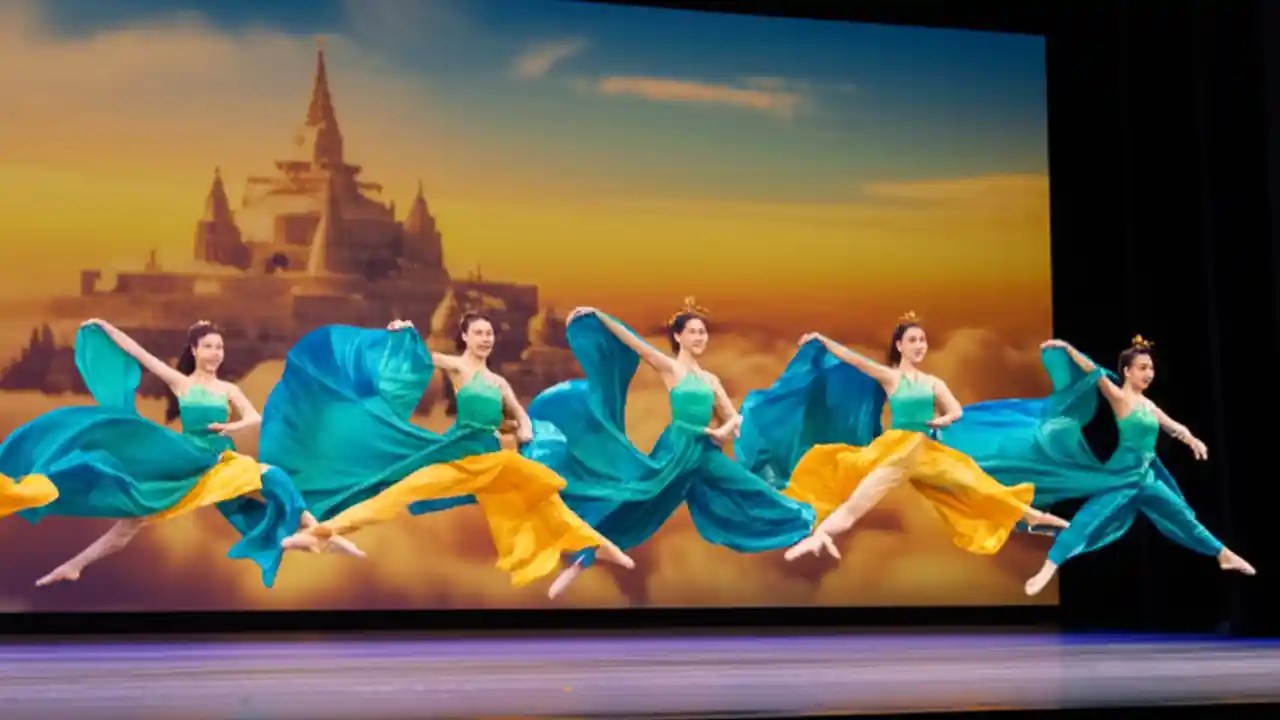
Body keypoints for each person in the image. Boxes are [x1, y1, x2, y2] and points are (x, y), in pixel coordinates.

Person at [265, 316, 633, 588]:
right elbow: (421, 359)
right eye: (479, 333)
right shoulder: (458, 368)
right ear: (465, 337)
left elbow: (521, 418)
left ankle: (593, 550)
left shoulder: (498, 382)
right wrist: (402, 336)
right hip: (456, 457)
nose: (485, 339)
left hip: (493, 460)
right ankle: (320, 535)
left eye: (490, 333)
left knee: (544, 499)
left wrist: (524, 431)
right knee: (393, 495)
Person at [0, 319, 355, 588]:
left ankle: (318, 533)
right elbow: (139, 354)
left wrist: (232, 427)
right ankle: (76, 564)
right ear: (195, 350)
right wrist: (106, 327)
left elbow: (254, 417)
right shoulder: (181, 383)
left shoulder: (229, 388)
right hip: (185, 457)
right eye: (209, 347)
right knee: (133, 518)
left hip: (220, 462)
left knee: (270, 482)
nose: (216, 353)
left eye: (220, 347)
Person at [526, 298, 816, 598]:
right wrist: (599, 316)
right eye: (693, 331)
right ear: (678, 336)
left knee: (753, 489)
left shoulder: (711, 381)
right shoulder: (670, 369)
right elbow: (635, 344)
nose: (700, 337)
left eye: (703, 332)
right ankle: (582, 558)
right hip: (676, 451)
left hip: (704, 453)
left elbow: (734, 423)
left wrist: (722, 431)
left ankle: (805, 526)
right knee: (636, 503)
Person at [737, 312, 1067, 562]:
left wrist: (943, 419)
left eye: (923, 340)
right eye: (913, 340)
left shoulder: (933, 383)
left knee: (987, 490)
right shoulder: (892, 378)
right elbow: (856, 361)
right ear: (900, 345)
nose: (920, 346)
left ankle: (1045, 523)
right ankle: (819, 536)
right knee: (856, 504)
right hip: (897, 449)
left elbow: (956, 411)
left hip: (927, 451)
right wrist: (824, 341)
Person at [1013, 336, 1255, 595]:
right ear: (1127, 371)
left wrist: (1192, 439)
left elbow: (1173, 427)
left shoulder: (1149, 405)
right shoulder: (1120, 398)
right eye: (1142, 367)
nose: (1149, 373)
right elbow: (1093, 370)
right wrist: (1068, 349)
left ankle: (1223, 554)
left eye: (1151, 368)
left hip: (1146, 479)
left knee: (1182, 517)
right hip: (1120, 478)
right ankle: (1047, 570)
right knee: (1087, 522)